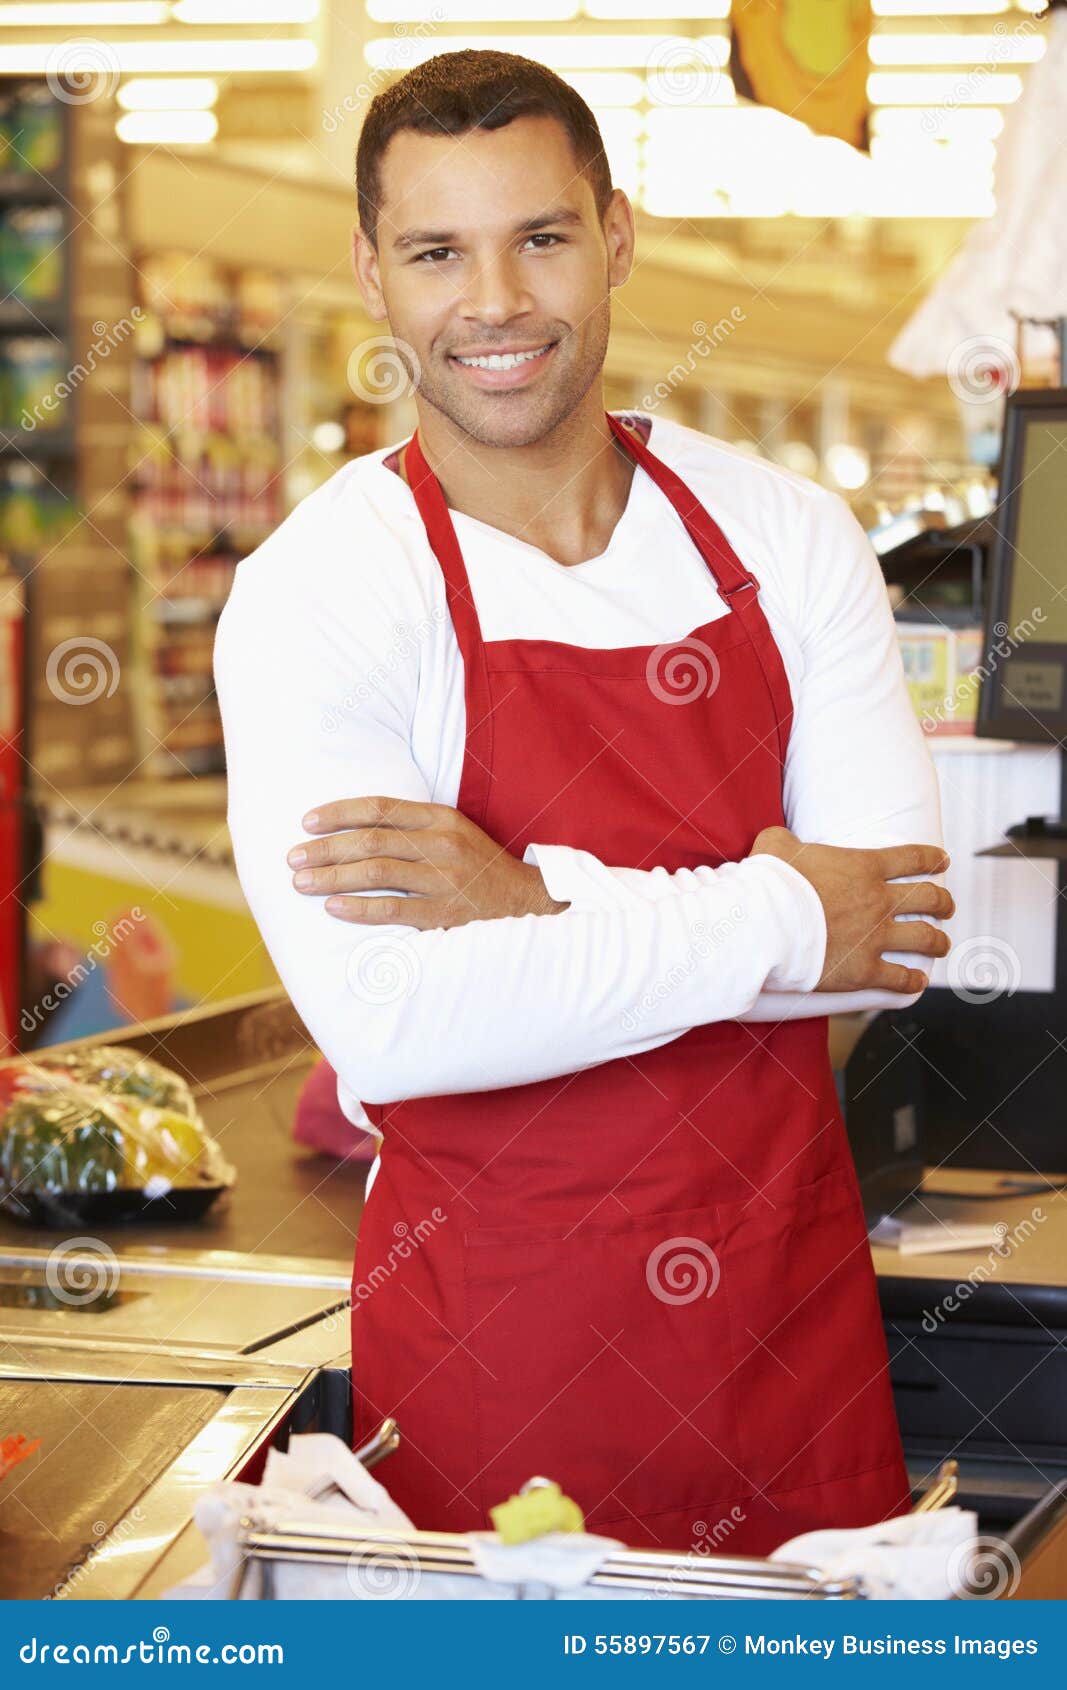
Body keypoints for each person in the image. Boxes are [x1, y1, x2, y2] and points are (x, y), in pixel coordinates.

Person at [215, 49, 954, 1555]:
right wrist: (778, 912)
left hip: (786, 1342)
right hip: (500, 1367)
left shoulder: (785, 535)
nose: (495, 300)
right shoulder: (324, 589)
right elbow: (402, 1024)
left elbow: (892, 933)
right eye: (437, 252)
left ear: (616, 236)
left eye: (540, 237)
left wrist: (536, 900)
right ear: (372, 272)